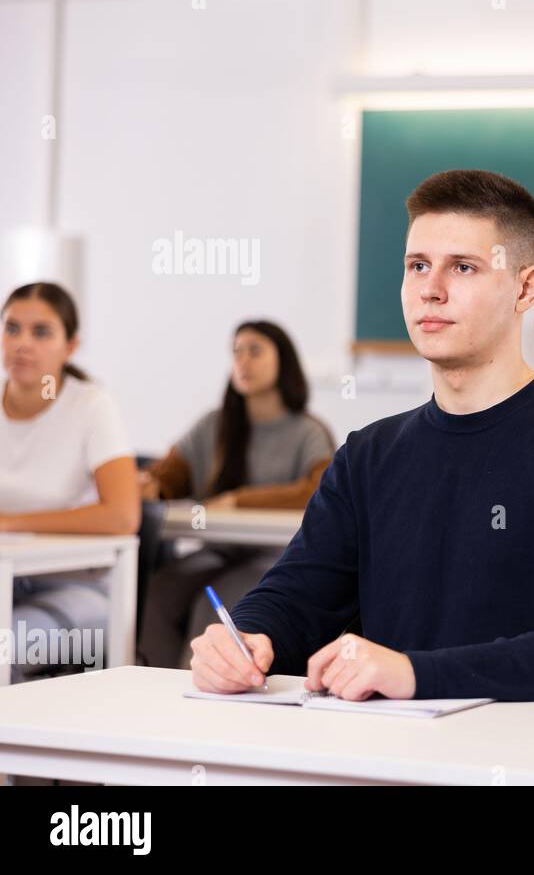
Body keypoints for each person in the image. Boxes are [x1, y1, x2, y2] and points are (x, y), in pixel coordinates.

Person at [188, 169, 534, 703]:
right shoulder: (370, 454)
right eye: (418, 266)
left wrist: (415, 675)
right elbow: (298, 594)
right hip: (389, 756)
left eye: (463, 267)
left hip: (528, 760)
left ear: (525, 288)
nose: (432, 290)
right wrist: (246, 637)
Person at [136, 320, 334, 669]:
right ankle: (148, 687)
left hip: (275, 556)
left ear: (283, 362)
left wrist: (239, 499)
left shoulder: (309, 432)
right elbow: (172, 475)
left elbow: (316, 491)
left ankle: (195, 699)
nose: (243, 361)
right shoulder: (214, 424)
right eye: (236, 352)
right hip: (218, 550)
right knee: (163, 591)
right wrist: (151, 484)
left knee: (211, 605)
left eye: (255, 351)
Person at [0, 282, 138, 681]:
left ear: (71, 345)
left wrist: (10, 522)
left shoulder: (91, 406)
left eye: (41, 332)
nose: (22, 343)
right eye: (11, 328)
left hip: (78, 590)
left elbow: (122, 516)